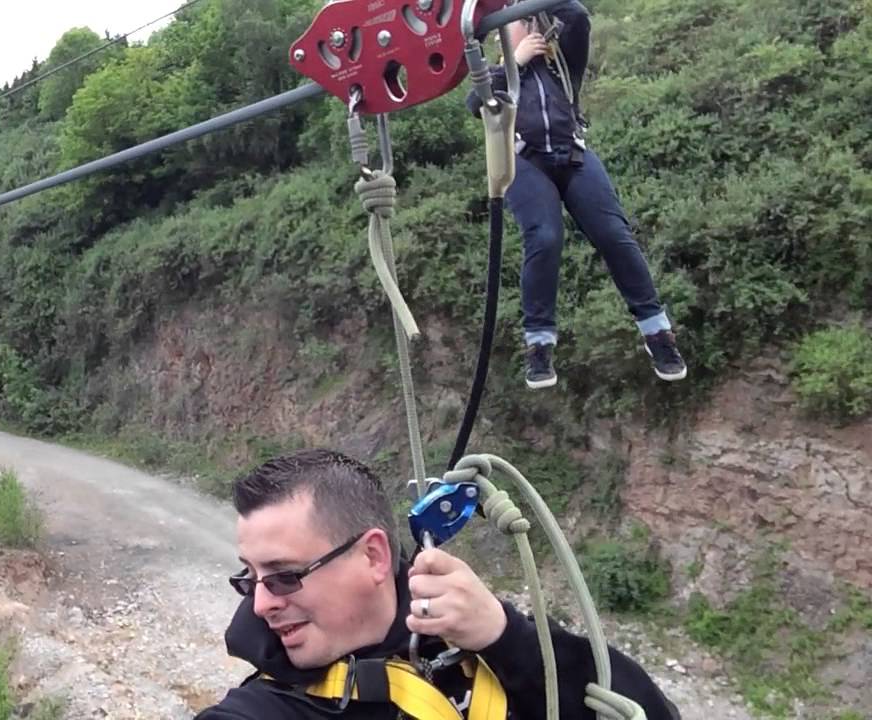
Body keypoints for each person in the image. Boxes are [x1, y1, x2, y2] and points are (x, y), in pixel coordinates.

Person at [196, 448, 680, 719]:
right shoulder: (263, 710)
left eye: (283, 576)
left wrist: (508, 638)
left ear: (373, 557)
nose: (261, 604)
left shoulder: (483, 644)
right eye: (250, 577)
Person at [465, 2, 687, 390]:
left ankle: (657, 332)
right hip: (525, 161)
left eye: (531, 22)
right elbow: (476, 104)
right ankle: (539, 344)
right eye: (519, 24)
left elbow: (578, 16)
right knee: (545, 236)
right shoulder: (497, 74)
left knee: (614, 234)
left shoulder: (561, 67)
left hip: (572, 153)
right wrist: (513, 62)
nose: (527, 28)